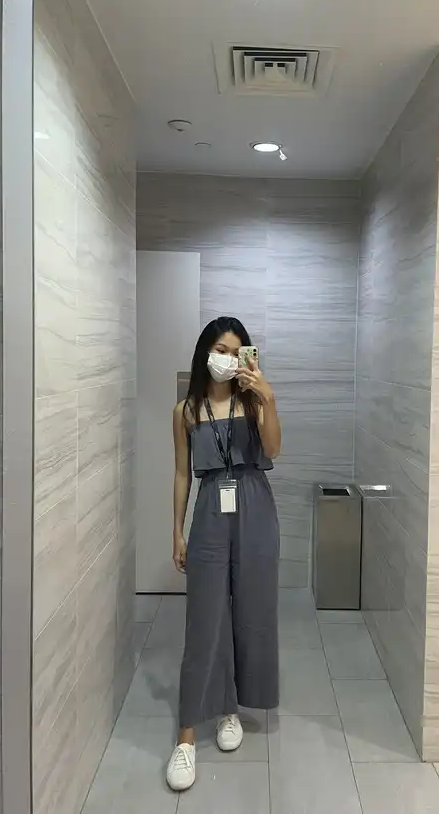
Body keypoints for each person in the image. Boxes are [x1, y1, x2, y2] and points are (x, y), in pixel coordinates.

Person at [166, 316, 282, 792]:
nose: (228, 359)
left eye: (237, 352)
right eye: (220, 349)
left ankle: (230, 707)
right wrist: (177, 531)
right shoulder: (186, 411)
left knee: (250, 611)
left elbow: (274, 448)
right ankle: (186, 735)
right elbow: (181, 473)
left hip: (255, 505)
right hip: (211, 506)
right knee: (204, 618)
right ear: (205, 352)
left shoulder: (253, 401)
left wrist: (268, 398)